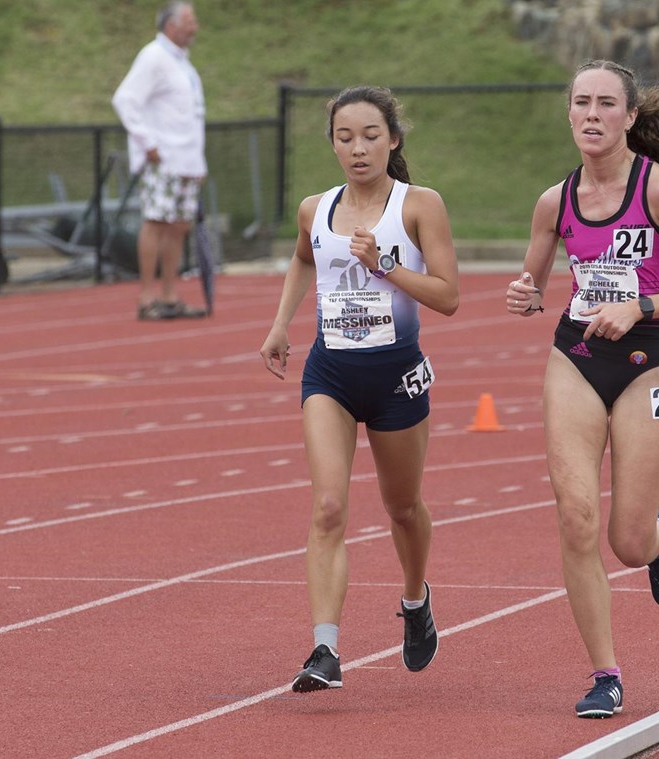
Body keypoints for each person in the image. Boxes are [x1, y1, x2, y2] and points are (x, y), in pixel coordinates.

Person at [505, 60, 659, 718]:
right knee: (576, 517)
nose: (592, 113)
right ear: (568, 115)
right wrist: (524, 293)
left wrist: (642, 306)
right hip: (576, 356)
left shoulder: (657, 191)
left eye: (606, 103)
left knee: (625, 539)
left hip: (649, 361)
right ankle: (605, 672)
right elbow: (534, 279)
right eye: (581, 102)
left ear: (630, 117)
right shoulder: (555, 202)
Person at [260, 86, 460, 692]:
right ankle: (325, 649)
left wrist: (385, 267)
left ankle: (415, 595)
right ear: (332, 145)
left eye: (371, 135)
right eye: (345, 137)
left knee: (402, 509)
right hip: (331, 373)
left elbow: (448, 297)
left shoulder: (419, 205)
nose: (358, 148)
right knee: (327, 508)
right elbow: (303, 259)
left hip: (396, 376)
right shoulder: (314, 209)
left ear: (393, 139)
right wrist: (279, 325)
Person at [112, 2, 207, 320]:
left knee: (179, 226)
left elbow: (190, 116)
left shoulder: (183, 63)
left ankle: (169, 295)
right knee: (156, 221)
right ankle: (146, 296)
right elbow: (125, 99)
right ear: (171, 26)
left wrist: (198, 163)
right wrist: (147, 143)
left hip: (186, 161)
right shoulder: (153, 56)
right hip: (162, 159)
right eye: (189, 20)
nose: (195, 26)